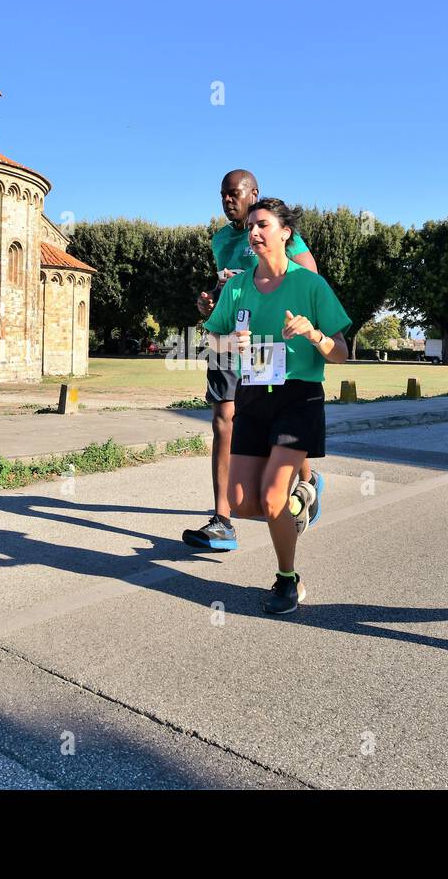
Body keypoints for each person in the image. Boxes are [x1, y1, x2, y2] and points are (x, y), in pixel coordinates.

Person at [202, 198, 351, 614]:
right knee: (240, 501)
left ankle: (287, 579)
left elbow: (339, 352)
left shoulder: (310, 285)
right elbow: (212, 337)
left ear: (286, 233)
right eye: (250, 226)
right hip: (253, 395)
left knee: (271, 501)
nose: (253, 232)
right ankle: (302, 500)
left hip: (298, 396)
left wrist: (314, 336)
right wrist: (229, 342)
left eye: (262, 224)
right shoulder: (236, 286)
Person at [183, 170, 324, 552]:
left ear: (253, 193)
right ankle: (222, 521)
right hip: (231, 337)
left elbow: (308, 274)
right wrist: (210, 300)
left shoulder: (273, 230)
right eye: (222, 195)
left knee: (277, 418)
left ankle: (309, 482)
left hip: (266, 341)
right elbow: (222, 287)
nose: (228, 200)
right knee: (222, 420)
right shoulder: (221, 240)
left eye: (234, 193)